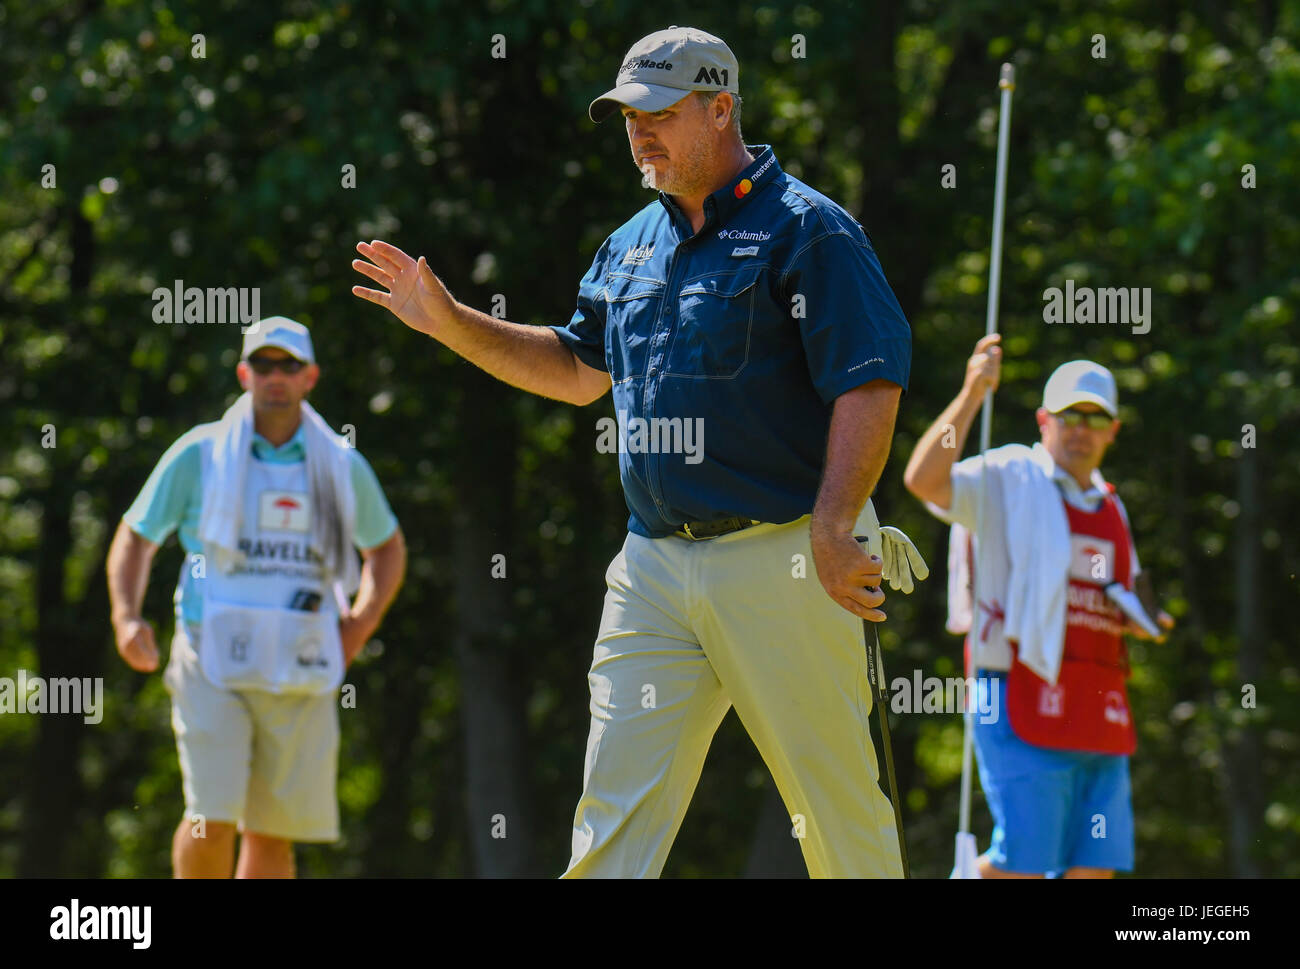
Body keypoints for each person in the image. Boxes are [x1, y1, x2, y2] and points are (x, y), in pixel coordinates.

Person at [352, 26, 923, 878]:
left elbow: (869, 380)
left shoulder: (809, 230)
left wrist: (838, 523)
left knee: (833, 812)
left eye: (658, 111)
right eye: (627, 115)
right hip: (653, 565)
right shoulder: (630, 244)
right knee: (612, 815)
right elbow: (580, 370)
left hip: (788, 555)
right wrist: (449, 320)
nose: (639, 131)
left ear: (721, 106)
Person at [106, 317, 407, 878]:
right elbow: (136, 534)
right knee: (210, 818)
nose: (275, 376)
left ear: (309, 376)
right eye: (264, 364)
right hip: (210, 660)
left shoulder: (341, 465)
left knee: (272, 835)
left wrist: (357, 627)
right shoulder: (198, 454)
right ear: (245, 373)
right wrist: (126, 616)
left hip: (303, 660)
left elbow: (387, 548)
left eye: (288, 365)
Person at [903, 334, 1174, 878]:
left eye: (1096, 419)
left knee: (1094, 867)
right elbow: (924, 480)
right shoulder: (1007, 477)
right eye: (1071, 415)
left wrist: (1149, 620)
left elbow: (1122, 595)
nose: (1082, 430)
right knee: (1021, 866)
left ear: (1113, 430)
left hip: (1098, 703)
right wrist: (973, 393)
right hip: (1016, 692)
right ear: (1044, 419)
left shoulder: (1112, 506)